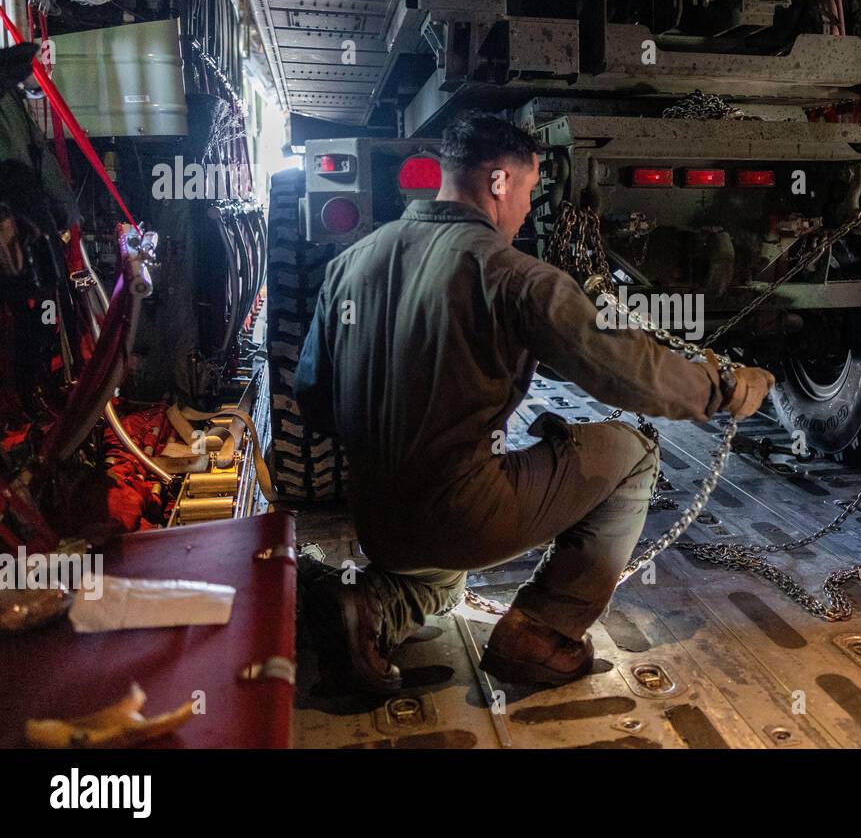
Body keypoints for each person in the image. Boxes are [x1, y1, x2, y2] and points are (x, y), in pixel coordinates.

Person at [295, 115, 774, 690]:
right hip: (459, 519)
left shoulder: (352, 263)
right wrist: (718, 388)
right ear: (499, 183)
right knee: (631, 453)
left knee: (444, 574)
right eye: (528, 189)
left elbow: (313, 400)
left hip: (376, 521)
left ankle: (368, 605)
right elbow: (625, 374)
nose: (527, 208)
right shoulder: (513, 275)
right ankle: (542, 634)